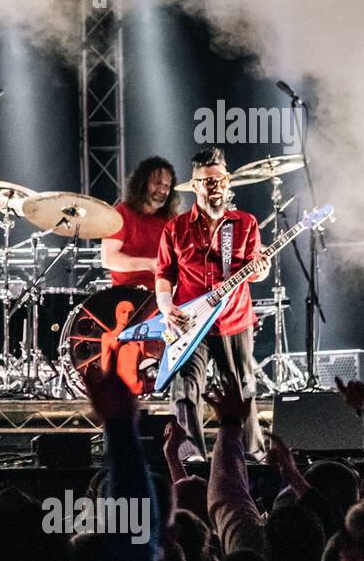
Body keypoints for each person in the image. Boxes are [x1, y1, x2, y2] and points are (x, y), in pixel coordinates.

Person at [155, 146, 270, 458]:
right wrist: (166, 307)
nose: (215, 186)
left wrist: (261, 271)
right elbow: (164, 273)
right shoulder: (175, 228)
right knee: (184, 389)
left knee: (242, 389)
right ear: (195, 186)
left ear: (228, 182)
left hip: (234, 319)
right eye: (207, 181)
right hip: (190, 323)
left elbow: (255, 269)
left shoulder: (245, 223)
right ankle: (190, 457)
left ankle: (251, 455)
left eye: (220, 180)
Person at [102, 156, 179, 287]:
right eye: (157, 183)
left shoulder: (172, 219)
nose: (163, 190)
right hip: (127, 295)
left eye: (167, 185)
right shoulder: (121, 213)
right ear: (142, 183)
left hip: (163, 294)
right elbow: (108, 259)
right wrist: (149, 264)